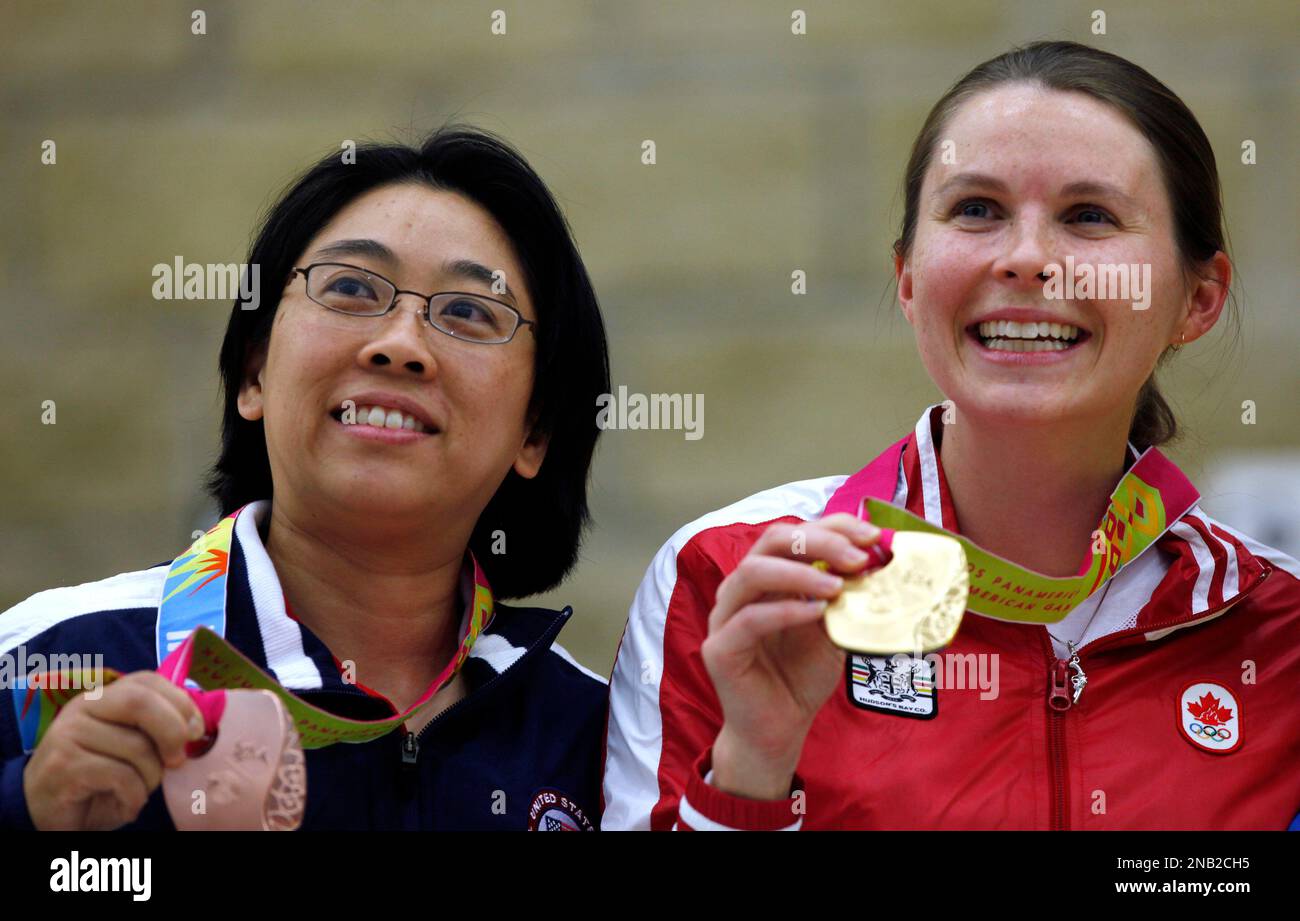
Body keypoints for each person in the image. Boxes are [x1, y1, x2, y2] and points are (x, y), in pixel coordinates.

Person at [602, 40, 1300, 831]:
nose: (1028, 258)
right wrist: (752, 768)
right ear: (906, 277)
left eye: (1089, 216)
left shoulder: (1280, 628)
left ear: (1198, 299)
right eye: (977, 210)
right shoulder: (733, 579)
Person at [1, 126, 611, 831]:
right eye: (350, 288)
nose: (401, 345)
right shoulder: (50, 663)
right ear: (255, 371)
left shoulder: (598, 737)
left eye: (469, 311)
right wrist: (28, 811)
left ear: (534, 432)